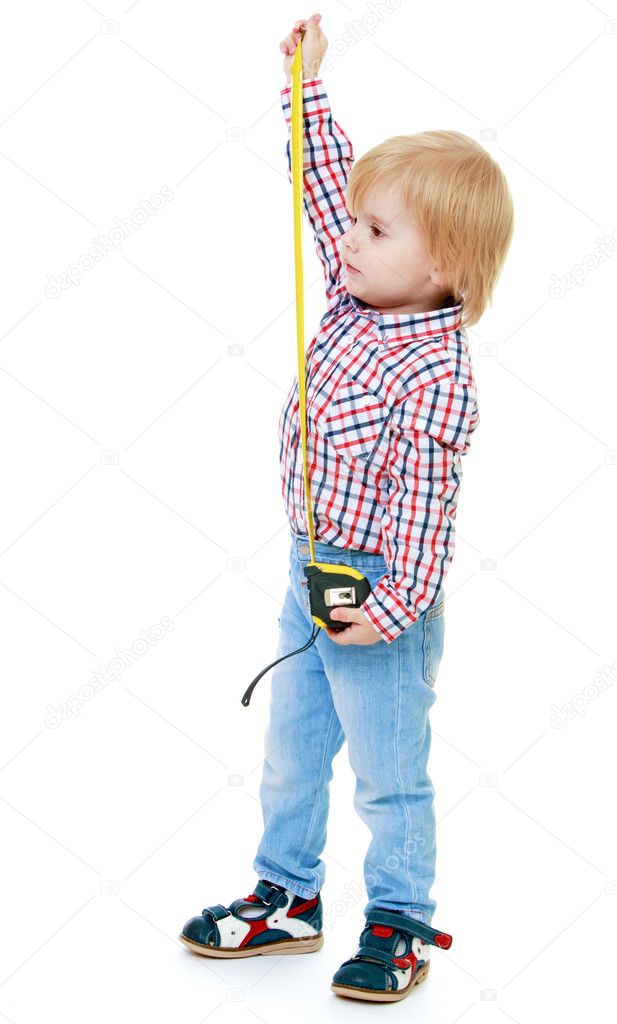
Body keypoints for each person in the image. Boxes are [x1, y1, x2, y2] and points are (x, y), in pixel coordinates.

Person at [179, 12, 514, 1003]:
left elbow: (424, 512)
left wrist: (393, 607)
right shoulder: (352, 288)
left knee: (386, 770)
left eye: (375, 230)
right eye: (354, 225)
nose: (345, 236)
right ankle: (286, 896)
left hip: (380, 596)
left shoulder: (437, 375)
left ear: (442, 265)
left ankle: (400, 916)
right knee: (291, 748)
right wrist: (305, 85)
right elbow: (325, 180)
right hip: (307, 567)